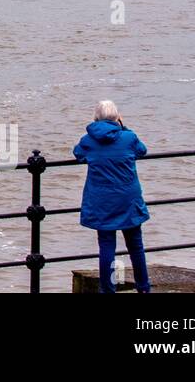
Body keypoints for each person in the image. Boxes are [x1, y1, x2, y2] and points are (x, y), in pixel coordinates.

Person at [73, 100, 150, 294]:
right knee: (135, 245)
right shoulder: (129, 137)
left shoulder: (88, 140)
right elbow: (142, 151)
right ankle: (143, 287)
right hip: (127, 198)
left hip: (102, 200)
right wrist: (124, 127)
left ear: (96, 118)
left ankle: (107, 290)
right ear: (117, 117)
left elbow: (78, 154)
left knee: (106, 245)